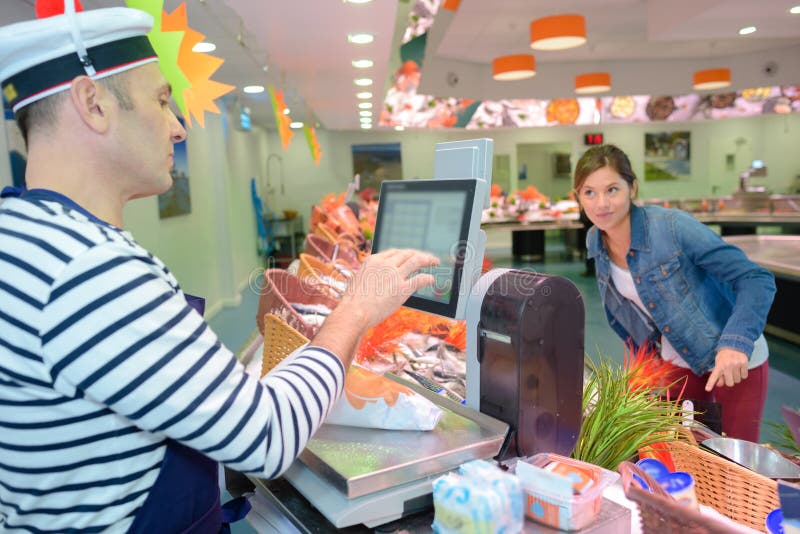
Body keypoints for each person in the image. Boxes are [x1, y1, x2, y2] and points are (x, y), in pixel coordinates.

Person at [0, 3, 438, 532]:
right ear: (93, 104)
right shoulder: (88, 269)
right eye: (162, 102)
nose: (179, 128)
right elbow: (267, 437)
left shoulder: (24, 234)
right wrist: (356, 308)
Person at [573, 145, 776, 442]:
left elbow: (755, 278)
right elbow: (634, 311)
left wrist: (735, 343)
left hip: (734, 362)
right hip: (676, 362)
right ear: (577, 196)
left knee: (736, 462)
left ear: (632, 188)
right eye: (589, 192)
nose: (601, 203)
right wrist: (641, 367)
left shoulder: (671, 228)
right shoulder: (596, 241)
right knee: (679, 451)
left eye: (612, 189)